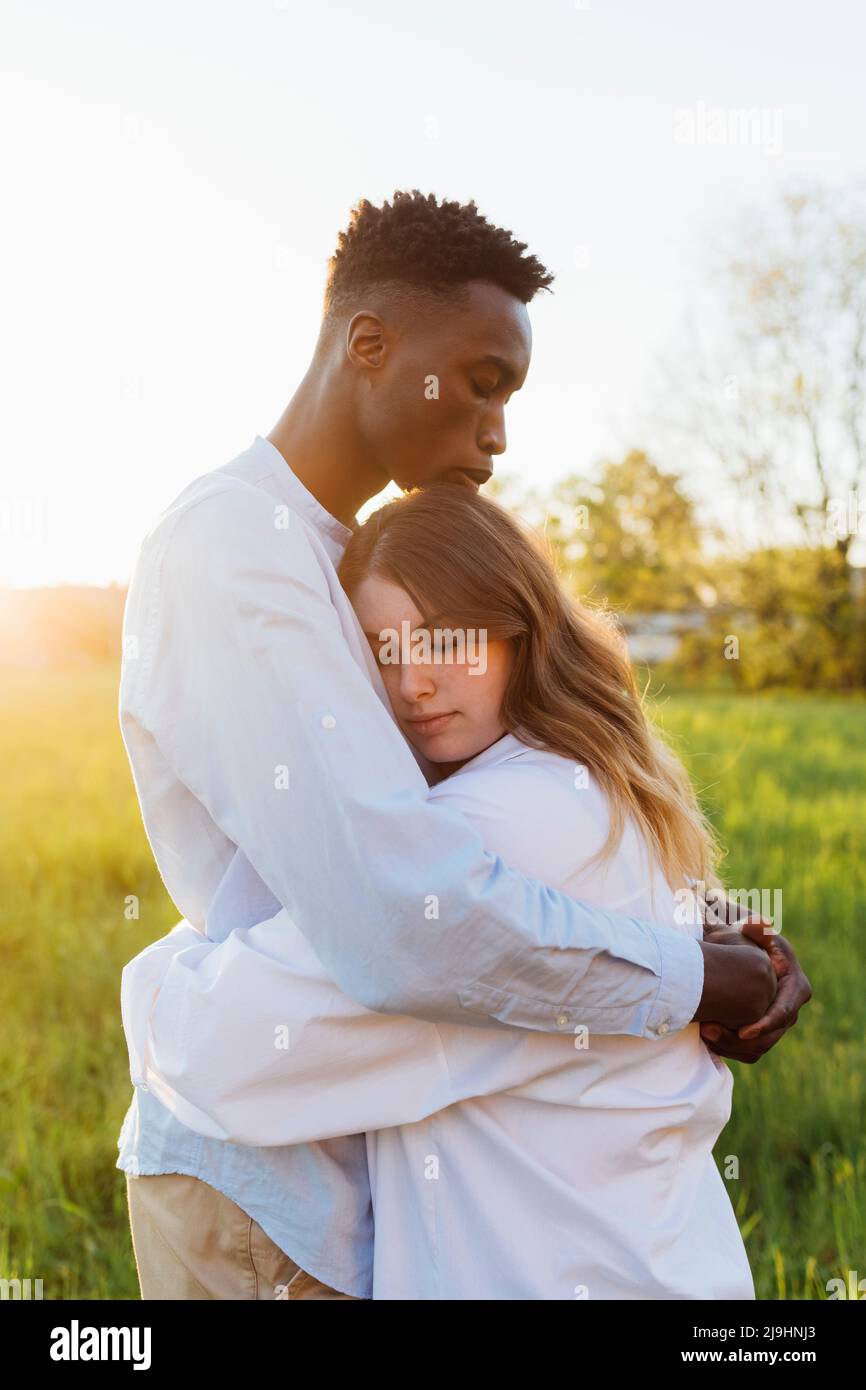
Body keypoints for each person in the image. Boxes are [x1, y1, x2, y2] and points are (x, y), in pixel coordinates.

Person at [118, 190, 809, 1301]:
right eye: (482, 383)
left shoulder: (337, 558)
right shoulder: (232, 550)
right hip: (265, 1172)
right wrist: (685, 970)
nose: (495, 430)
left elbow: (469, 820)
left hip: (362, 1138)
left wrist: (674, 913)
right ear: (370, 345)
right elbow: (407, 915)